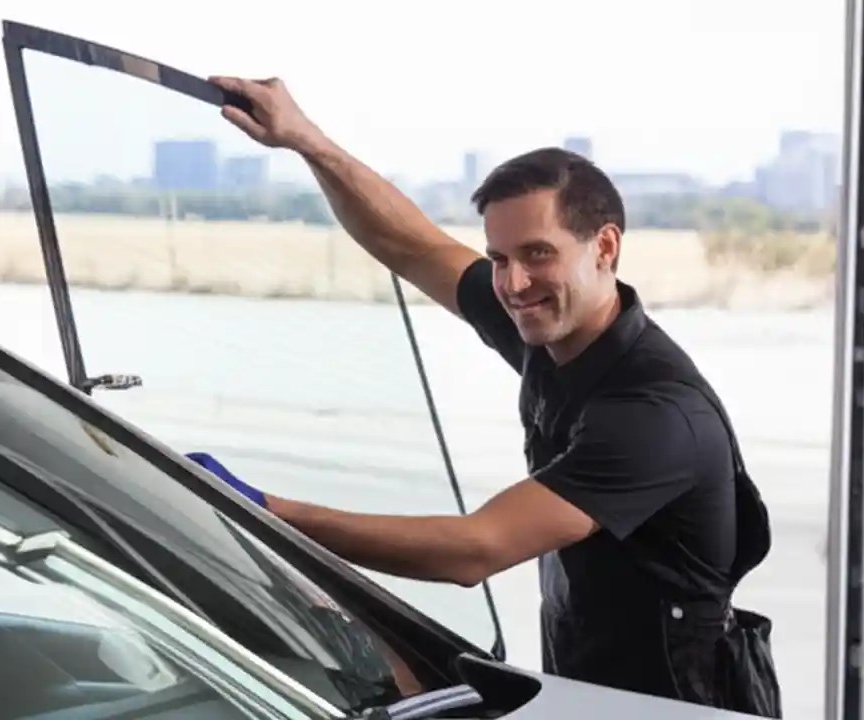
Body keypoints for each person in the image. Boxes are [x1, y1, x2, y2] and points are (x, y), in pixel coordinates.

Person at [192, 75, 782, 717]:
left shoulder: (654, 414)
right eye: (499, 257)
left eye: (538, 255)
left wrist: (267, 511)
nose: (514, 282)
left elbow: (473, 549)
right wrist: (308, 142)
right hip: (587, 694)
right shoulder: (547, 323)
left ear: (605, 247)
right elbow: (409, 245)